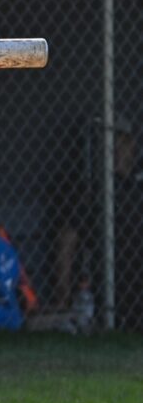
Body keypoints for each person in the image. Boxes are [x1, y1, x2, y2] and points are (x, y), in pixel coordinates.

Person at [50, 116, 143, 329]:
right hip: (116, 283)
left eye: (122, 140)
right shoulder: (94, 191)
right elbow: (67, 239)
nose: (117, 147)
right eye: (111, 141)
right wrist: (63, 296)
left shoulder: (137, 183)